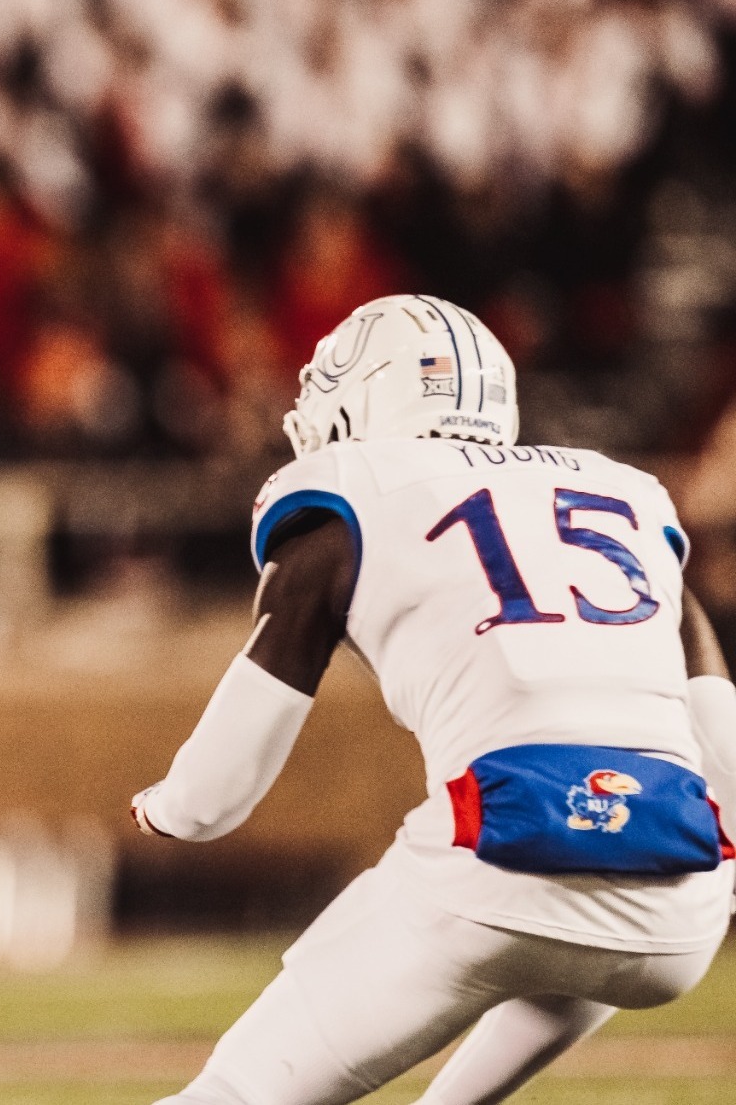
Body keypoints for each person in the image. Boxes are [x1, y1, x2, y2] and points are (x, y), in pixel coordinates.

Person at [131, 295, 736, 1105]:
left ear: (371, 396)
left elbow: (213, 801)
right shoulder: (630, 502)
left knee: (236, 1093)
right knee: (570, 913)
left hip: (498, 862)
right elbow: (723, 753)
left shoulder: (351, 499)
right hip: (678, 897)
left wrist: (163, 808)